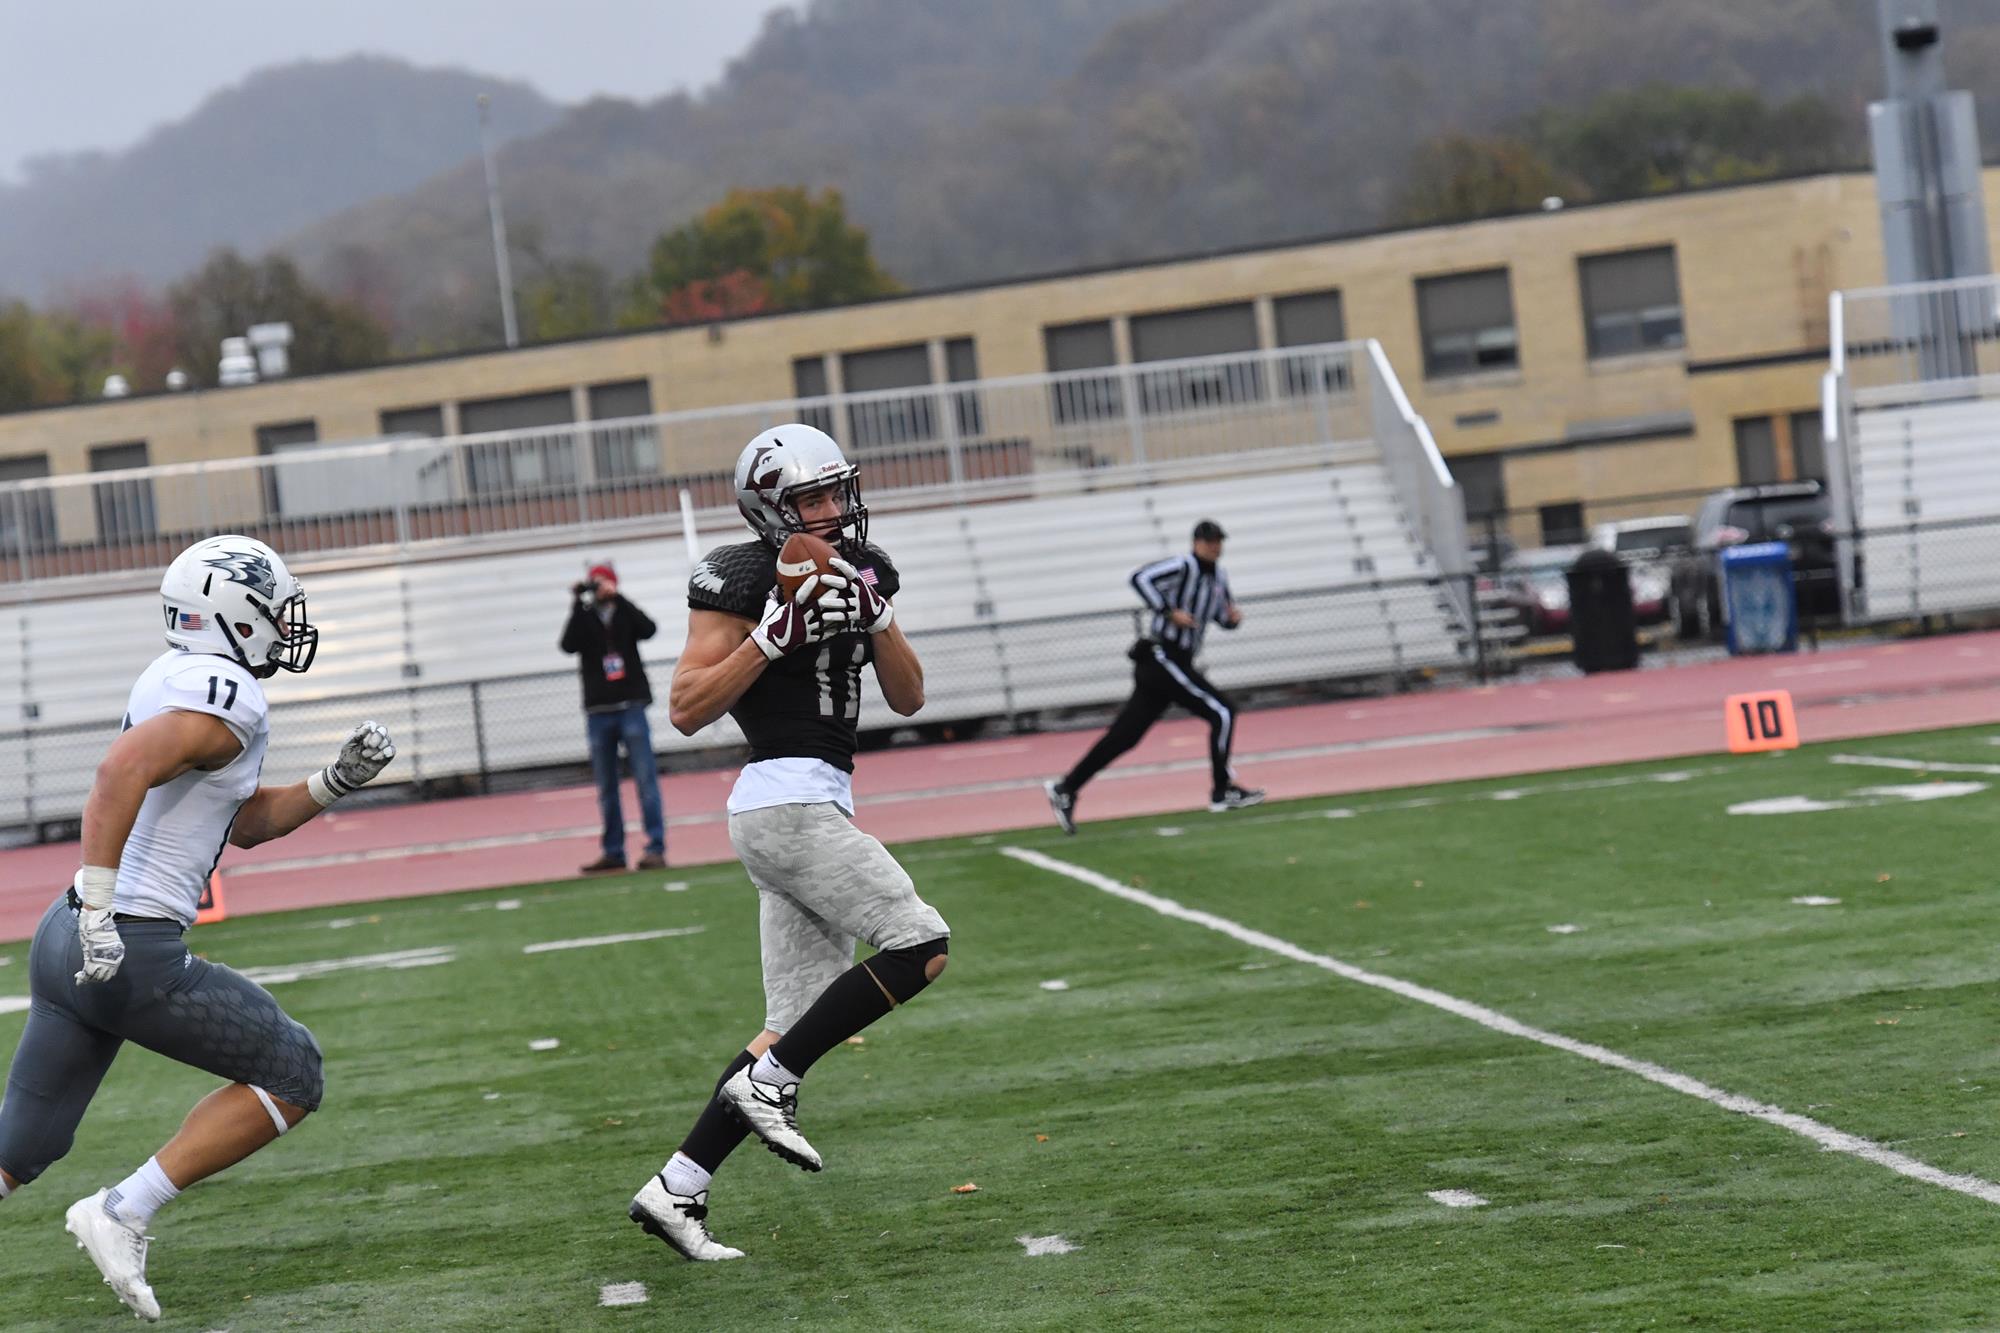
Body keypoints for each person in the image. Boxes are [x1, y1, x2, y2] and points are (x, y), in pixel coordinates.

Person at [0, 535, 396, 1322]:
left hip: (62, 932)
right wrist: (107, 911)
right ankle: (123, 1208)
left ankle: (112, 1205)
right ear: (236, 614)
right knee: (293, 1070)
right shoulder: (229, 690)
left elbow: (238, 820)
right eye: (275, 611)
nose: (285, 626)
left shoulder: (177, 675)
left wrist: (332, 782)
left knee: (18, 1149)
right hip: (125, 943)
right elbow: (120, 771)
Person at [626, 423, 949, 1262]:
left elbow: (910, 697)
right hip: (783, 799)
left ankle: (678, 1186)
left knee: (789, 1024)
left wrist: (879, 618)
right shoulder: (737, 579)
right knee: (921, 944)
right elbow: (687, 707)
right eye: (814, 496)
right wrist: (772, 635)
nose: (835, 507)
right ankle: (771, 1083)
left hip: (815, 802)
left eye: (839, 489)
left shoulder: (865, 568)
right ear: (771, 507)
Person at [1044, 519, 1264, 834]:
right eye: (1210, 541)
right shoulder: (1183, 566)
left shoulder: (1218, 577)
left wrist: (1232, 620)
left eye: (1219, 541)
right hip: (1162, 656)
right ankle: (1222, 789)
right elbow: (1140, 578)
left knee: (1125, 736)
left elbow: (1219, 615)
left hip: (1176, 661)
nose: (1215, 547)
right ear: (1197, 543)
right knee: (1222, 711)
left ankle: (1066, 788)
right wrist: (1167, 611)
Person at [559, 561, 667, 873]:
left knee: (645, 780)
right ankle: (613, 851)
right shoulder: (585, 615)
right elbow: (567, 645)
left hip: (631, 706)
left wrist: (619, 598)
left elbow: (649, 629)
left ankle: (655, 847)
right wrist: (577, 602)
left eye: (602, 583)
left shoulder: (624, 611)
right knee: (607, 788)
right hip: (599, 712)